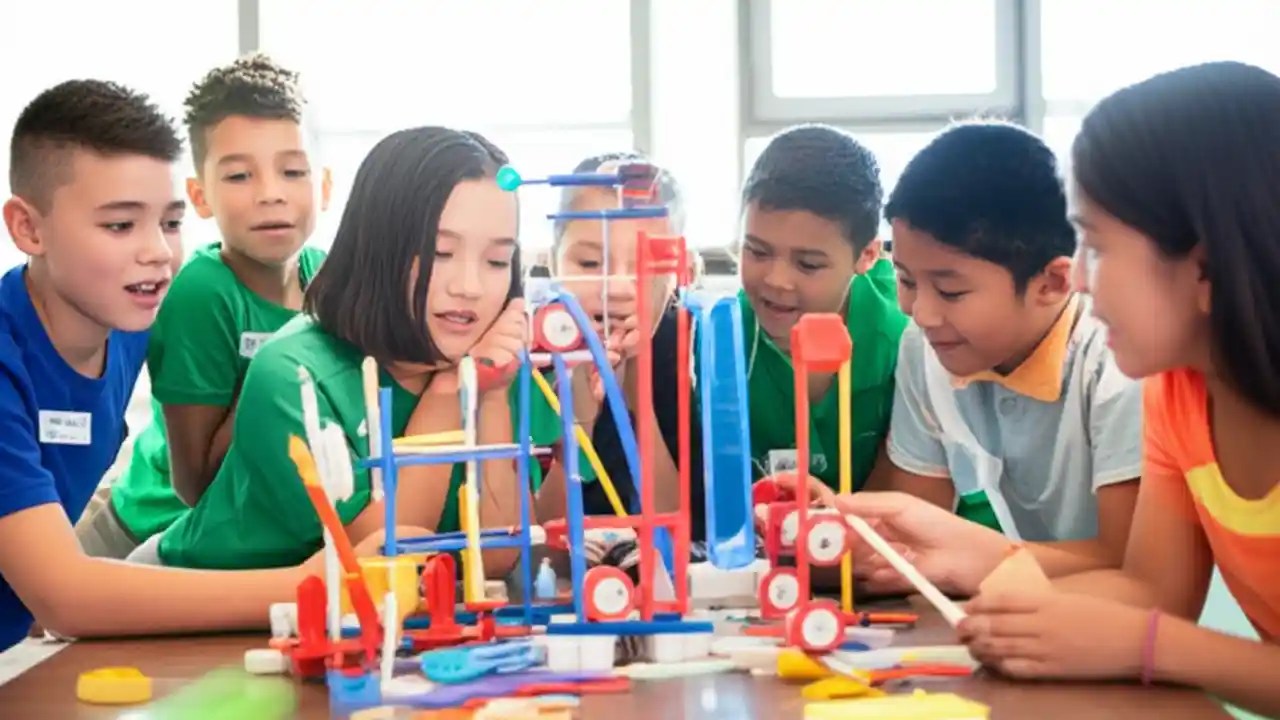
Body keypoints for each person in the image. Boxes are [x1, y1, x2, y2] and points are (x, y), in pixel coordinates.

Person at [0, 79, 396, 653]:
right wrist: (309, 583)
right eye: (120, 225)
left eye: (169, 222)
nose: (159, 252)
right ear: (28, 228)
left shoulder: (130, 319)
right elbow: (66, 597)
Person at [950, 61, 1280, 719]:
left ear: (1206, 262)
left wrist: (1149, 644)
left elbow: (1149, 623)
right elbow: (1151, 588)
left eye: (1096, 246)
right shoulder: (1178, 391)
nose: (1080, 281)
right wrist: (999, 601)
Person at [146, 126, 558, 577]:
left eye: (497, 261)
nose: (470, 287)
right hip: (198, 612)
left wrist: (491, 395)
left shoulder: (493, 360)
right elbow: (389, 558)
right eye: (440, 252)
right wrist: (447, 396)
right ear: (378, 247)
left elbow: (497, 557)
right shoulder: (293, 375)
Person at [863, 121, 1141, 589]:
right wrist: (843, 532)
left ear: (1053, 283)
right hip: (1046, 614)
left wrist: (979, 563)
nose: (921, 312)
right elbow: (914, 529)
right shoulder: (928, 345)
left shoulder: (1119, 361)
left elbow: (1131, 562)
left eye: (950, 290)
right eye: (906, 280)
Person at [77, 53, 330, 559]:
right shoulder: (203, 293)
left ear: (322, 186)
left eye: (292, 171)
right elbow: (195, 485)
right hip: (145, 528)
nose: (271, 195)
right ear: (200, 196)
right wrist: (282, 361)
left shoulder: (326, 279)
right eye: (239, 177)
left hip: (241, 524)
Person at [532, 152, 706, 538]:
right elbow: (540, 541)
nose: (619, 290)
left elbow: (677, 534)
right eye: (592, 264)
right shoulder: (528, 354)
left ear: (679, 272)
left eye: (647, 266)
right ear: (552, 264)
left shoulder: (685, 345)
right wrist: (579, 418)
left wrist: (636, 394)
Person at [739, 124, 907, 492]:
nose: (777, 280)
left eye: (809, 264)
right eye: (757, 251)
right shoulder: (720, 337)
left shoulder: (905, 337)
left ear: (867, 255)